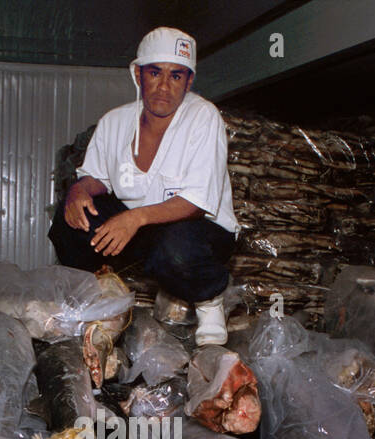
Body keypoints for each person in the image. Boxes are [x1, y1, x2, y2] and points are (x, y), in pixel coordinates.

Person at [48, 26, 239, 346]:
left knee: (174, 250)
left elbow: (195, 204)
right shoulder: (114, 122)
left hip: (201, 230)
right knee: (71, 222)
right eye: (155, 73)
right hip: (141, 227)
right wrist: (78, 190)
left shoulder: (203, 117)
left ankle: (210, 299)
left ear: (189, 81)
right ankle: (91, 296)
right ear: (138, 75)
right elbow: (96, 177)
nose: (164, 86)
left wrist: (133, 219)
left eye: (176, 76)